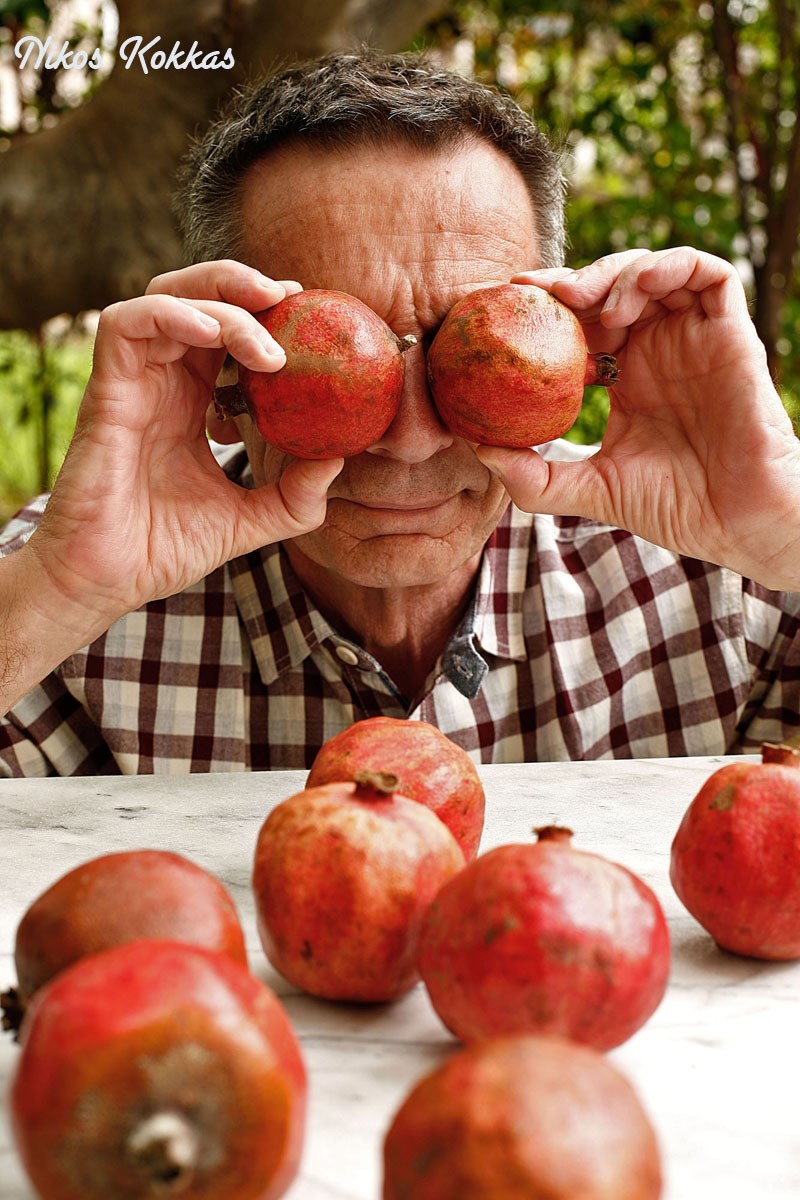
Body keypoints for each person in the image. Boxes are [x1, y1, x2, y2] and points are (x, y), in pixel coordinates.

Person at [0, 49, 798, 776]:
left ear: (566, 353)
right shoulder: (68, 590)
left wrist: (780, 529)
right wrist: (62, 593)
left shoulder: (720, 581)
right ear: (219, 378)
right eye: (333, 362)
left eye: (470, 355)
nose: (412, 443)